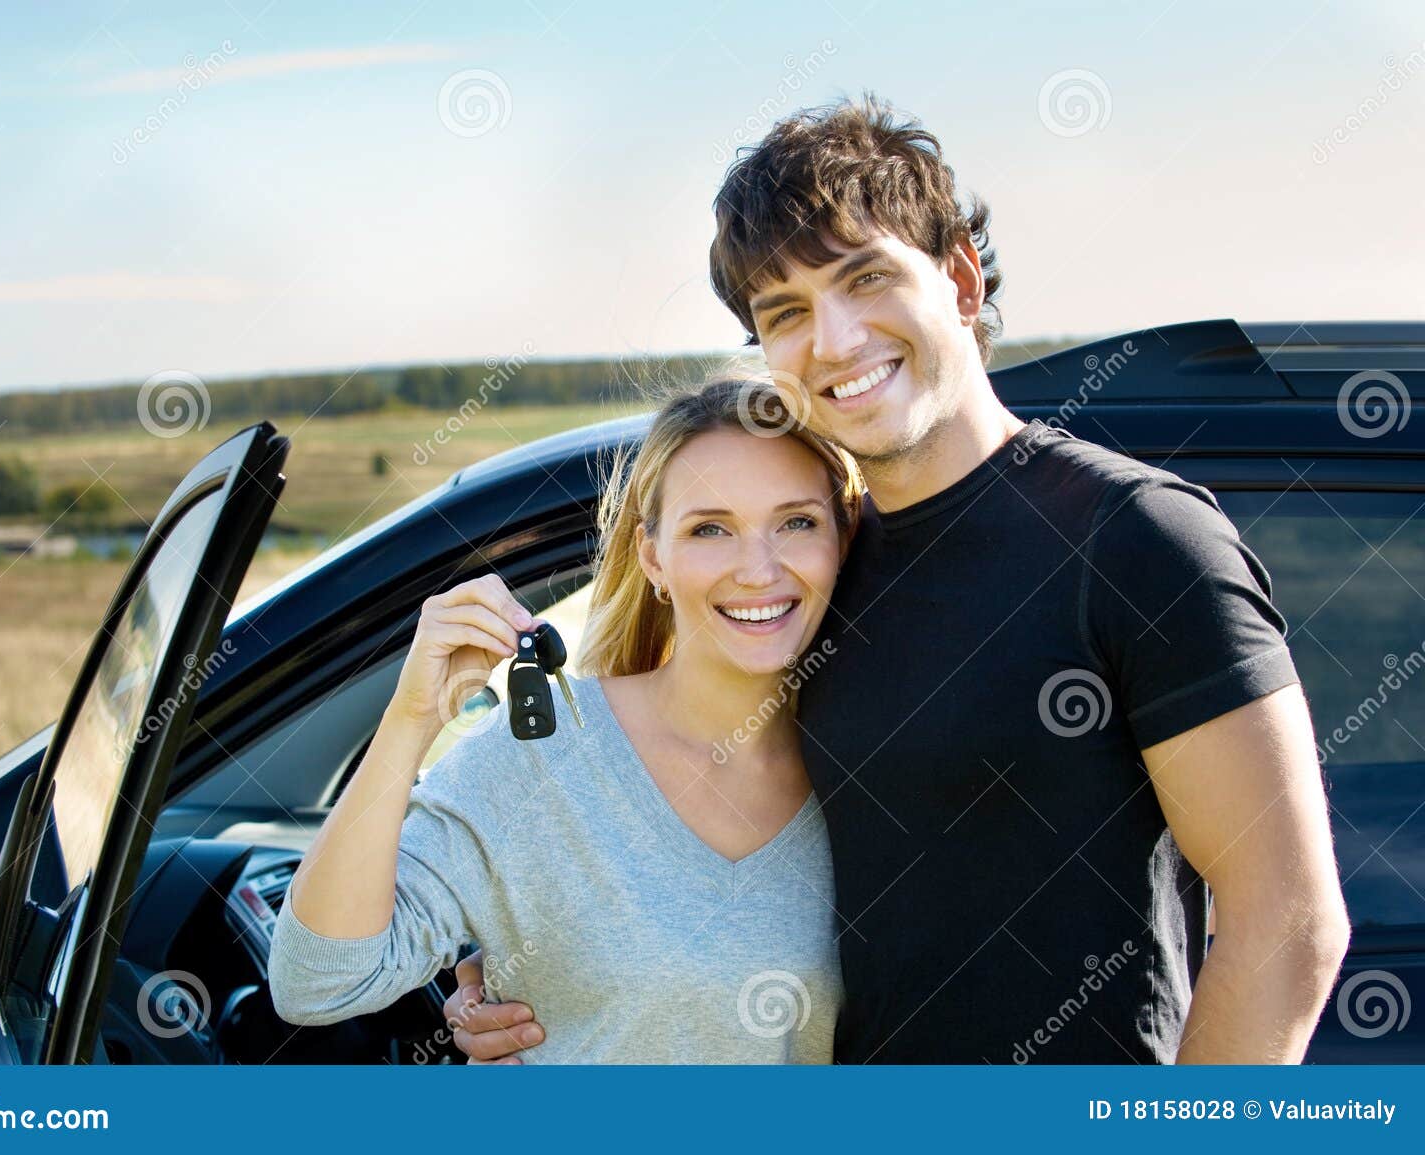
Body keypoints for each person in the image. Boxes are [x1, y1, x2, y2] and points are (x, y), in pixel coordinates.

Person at [446, 96, 1351, 1064]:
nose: (832, 341)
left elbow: (1288, 925)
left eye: (864, 278)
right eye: (784, 313)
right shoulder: (799, 576)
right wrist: (502, 953)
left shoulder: (1133, 540)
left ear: (958, 278)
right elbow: (666, 794)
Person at [267, 374, 865, 1062]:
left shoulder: (885, 764)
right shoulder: (542, 754)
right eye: (710, 528)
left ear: (841, 542)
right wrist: (410, 721)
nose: (759, 569)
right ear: (653, 558)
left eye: (797, 521)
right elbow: (318, 981)